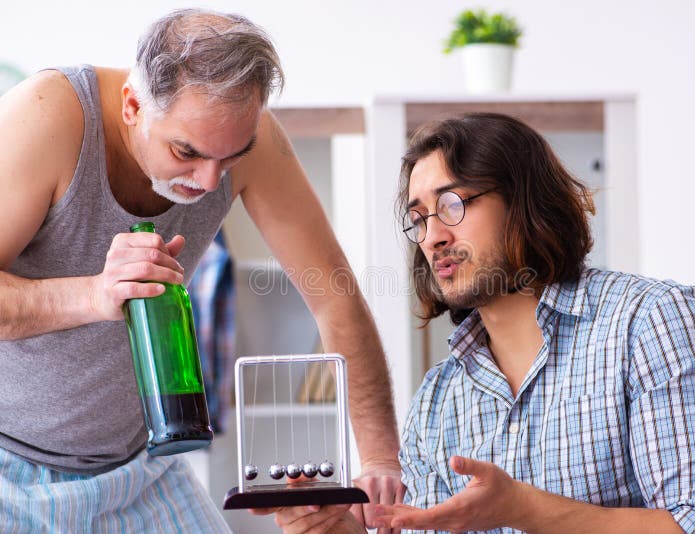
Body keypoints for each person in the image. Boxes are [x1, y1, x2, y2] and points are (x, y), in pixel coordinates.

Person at [0, 8, 402, 532]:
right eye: (185, 152)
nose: (210, 183)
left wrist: (379, 461)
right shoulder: (44, 115)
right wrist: (94, 295)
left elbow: (334, 296)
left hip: (139, 470)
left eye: (230, 158)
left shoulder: (249, 142)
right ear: (132, 105)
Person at [273, 112, 695, 533]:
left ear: (524, 202)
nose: (432, 237)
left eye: (452, 204)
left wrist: (523, 508)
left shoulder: (656, 323)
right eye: (419, 218)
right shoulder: (439, 399)